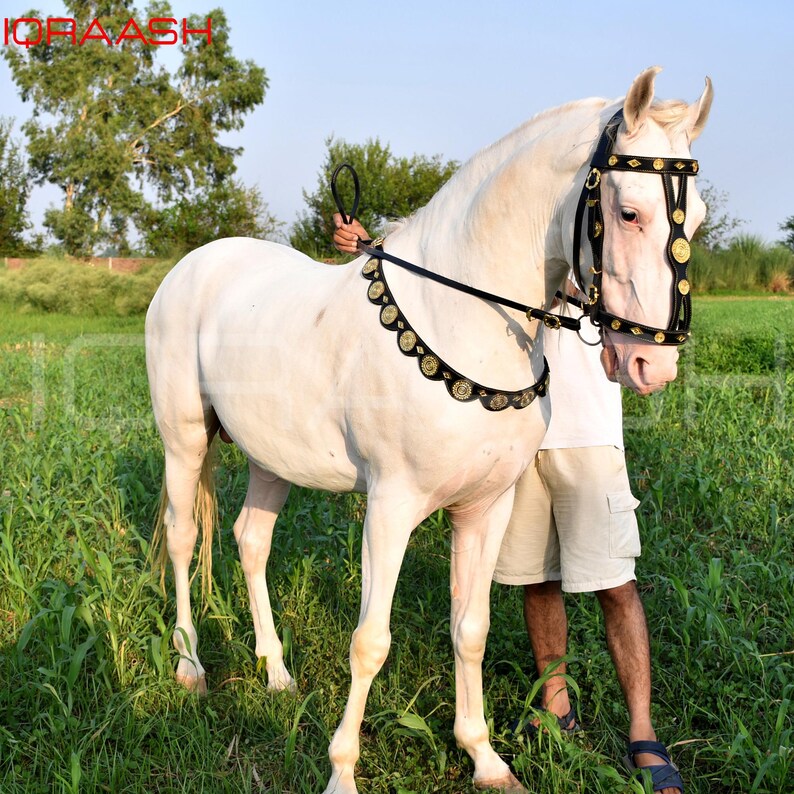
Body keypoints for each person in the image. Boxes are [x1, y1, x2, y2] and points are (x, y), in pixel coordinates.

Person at [332, 214, 684, 794]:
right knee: (536, 581)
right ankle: (557, 706)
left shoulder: (597, 234)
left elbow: (632, 286)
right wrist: (373, 238)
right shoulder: (518, 227)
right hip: (512, 433)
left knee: (616, 586)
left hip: (588, 435)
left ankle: (643, 731)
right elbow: (453, 233)